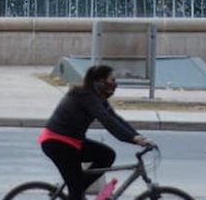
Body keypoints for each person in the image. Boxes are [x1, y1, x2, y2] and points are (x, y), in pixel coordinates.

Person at [38, 64, 152, 200]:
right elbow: (107, 121)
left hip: (72, 141)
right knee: (77, 189)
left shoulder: (98, 98)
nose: (115, 84)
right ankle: (75, 189)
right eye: (112, 80)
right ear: (100, 81)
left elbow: (114, 118)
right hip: (57, 142)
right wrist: (133, 139)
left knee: (107, 155)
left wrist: (137, 136)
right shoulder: (85, 95)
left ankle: (76, 188)